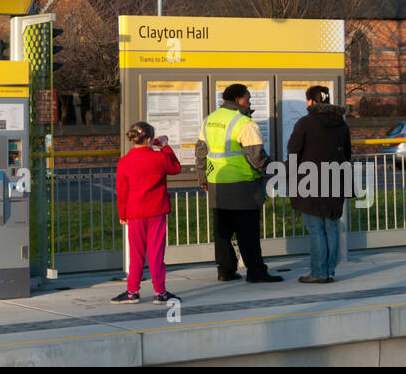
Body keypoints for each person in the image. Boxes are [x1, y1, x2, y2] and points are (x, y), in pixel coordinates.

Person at [195, 84, 282, 283]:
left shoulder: (209, 120)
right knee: (247, 231)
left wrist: (203, 178)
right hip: (242, 184)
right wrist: (275, 171)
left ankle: (225, 270)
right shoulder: (245, 123)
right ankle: (255, 271)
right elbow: (256, 157)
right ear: (237, 100)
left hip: (217, 182)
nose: (249, 102)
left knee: (222, 231)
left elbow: (201, 153)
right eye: (247, 99)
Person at [287, 85, 353, 284]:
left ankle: (318, 272)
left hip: (311, 182)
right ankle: (330, 271)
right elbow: (347, 153)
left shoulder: (305, 123)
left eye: (307, 99)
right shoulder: (341, 124)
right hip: (336, 179)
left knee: (316, 228)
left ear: (311, 101)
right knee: (331, 227)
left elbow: (293, 151)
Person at [113, 121, 181, 303]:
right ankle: (160, 292)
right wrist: (165, 147)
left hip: (135, 213)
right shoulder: (159, 158)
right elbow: (176, 168)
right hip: (156, 211)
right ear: (150, 139)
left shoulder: (125, 162)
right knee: (156, 253)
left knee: (136, 254)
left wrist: (122, 214)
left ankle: (132, 291)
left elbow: (122, 190)